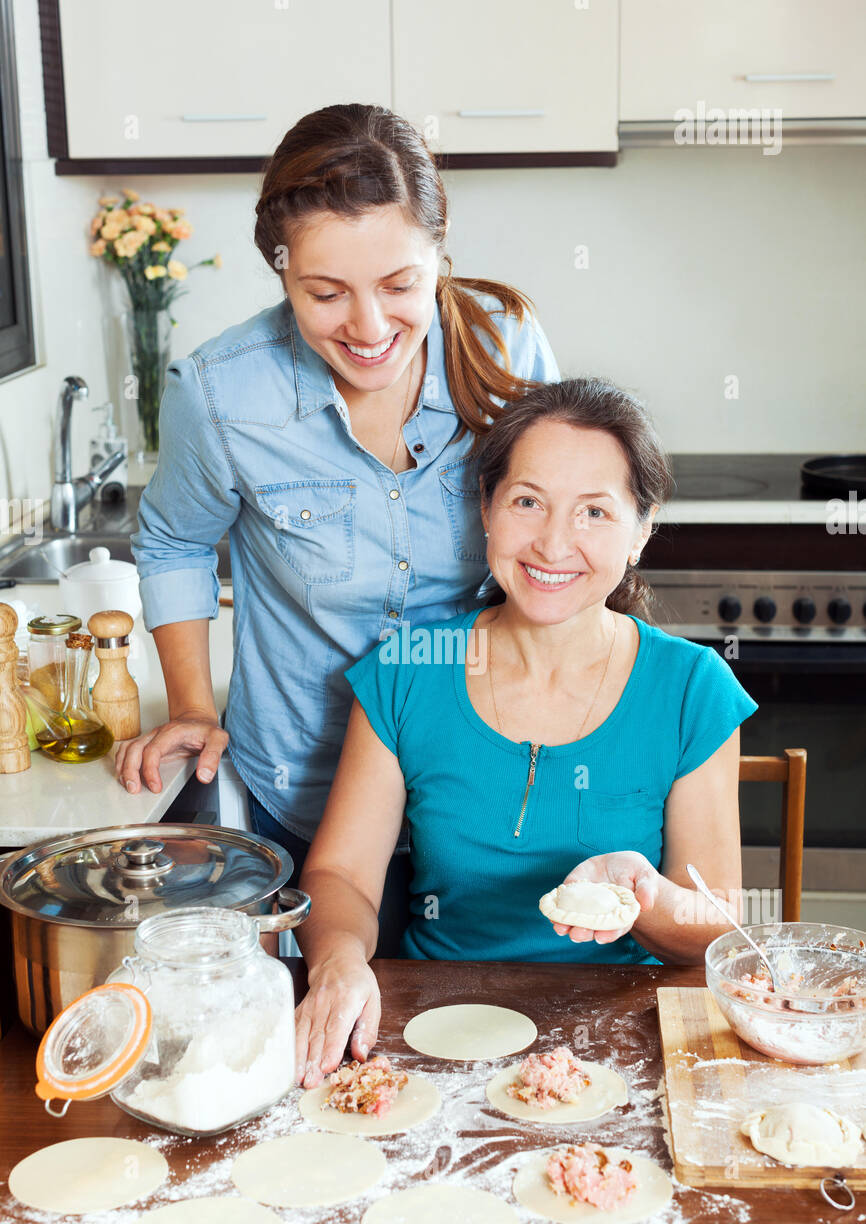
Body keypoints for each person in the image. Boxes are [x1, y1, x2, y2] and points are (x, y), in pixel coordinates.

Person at [121, 104, 559, 948]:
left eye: (401, 286)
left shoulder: (510, 350)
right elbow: (174, 540)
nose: (368, 328)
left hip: (480, 776)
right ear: (280, 274)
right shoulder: (221, 394)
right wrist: (188, 703)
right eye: (325, 293)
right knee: (331, 1028)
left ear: (438, 253)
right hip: (305, 783)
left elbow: (559, 532)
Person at [291, 377, 758, 1087]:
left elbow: (717, 923)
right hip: (432, 1027)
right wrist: (337, 962)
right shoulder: (409, 670)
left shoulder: (692, 689)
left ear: (641, 530)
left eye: (596, 512)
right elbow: (341, 874)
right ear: (487, 507)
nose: (553, 543)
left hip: (621, 1035)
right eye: (528, 501)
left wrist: (642, 895)